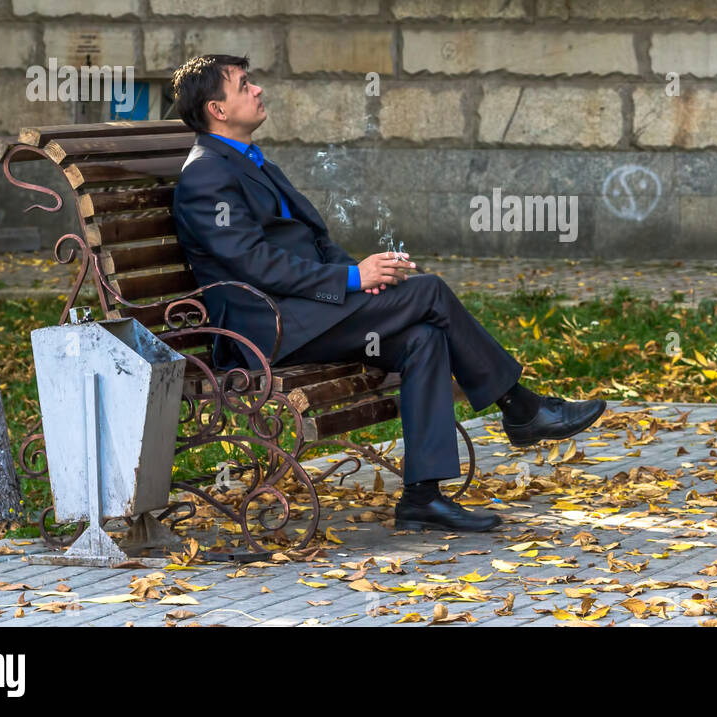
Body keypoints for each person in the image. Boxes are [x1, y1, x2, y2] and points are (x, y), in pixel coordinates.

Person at [168, 54, 607, 533]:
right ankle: (521, 408)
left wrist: (366, 276)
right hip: (267, 330)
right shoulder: (206, 174)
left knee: (423, 336)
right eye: (243, 85)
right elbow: (252, 263)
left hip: (304, 313)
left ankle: (423, 498)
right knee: (429, 292)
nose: (257, 90)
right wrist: (351, 279)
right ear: (218, 109)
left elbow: (314, 243)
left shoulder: (248, 161)